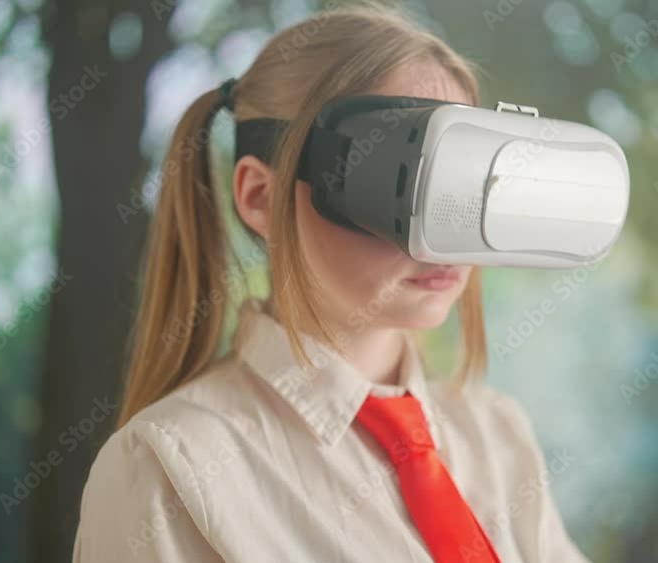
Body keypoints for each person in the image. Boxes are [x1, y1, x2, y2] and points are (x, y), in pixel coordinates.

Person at [72, 4, 590, 562]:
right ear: (260, 197)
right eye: (400, 181)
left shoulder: (497, 436)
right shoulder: (169, 470)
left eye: (463, 186)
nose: (441, 237)